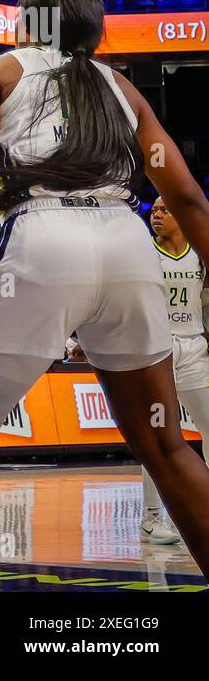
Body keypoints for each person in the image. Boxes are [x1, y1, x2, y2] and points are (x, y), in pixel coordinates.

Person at [0, 0, 209, 590]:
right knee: (169, 447)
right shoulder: (123, 89)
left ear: (28, 20)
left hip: (43, 235)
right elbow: (189, 195)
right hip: (125, 240)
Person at [140, 197, 209, 544]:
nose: (156, 214)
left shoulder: (199, 253)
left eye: (164, 209)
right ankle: (152, 519)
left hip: (194, 347)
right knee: (159, 437)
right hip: (158, 350)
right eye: (153, 210)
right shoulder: (144, 253)